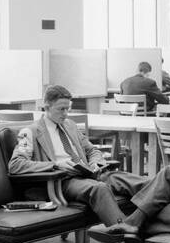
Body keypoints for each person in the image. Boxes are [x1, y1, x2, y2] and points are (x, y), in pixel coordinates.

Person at [8, 85, 127, 229]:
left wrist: (96, 162)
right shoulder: (30, 132)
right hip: (65, 180)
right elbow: (15, 164)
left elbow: (91, 150)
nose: (65, 114)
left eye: (68, 109)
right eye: (61, 109)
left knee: (134, 182)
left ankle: (147, 232)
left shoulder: (70, 125)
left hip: (90, 173)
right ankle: (127, 235)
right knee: (99, 188)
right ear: (47, 107)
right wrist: (55, 165)